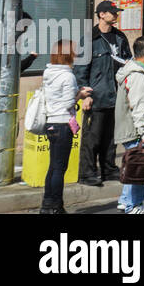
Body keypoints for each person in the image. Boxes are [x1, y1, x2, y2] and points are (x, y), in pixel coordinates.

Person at [74, 0, 132, 187]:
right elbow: (81, 70)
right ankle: (87, 172)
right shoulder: (90, 39)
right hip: (96, 96)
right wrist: (85, 94)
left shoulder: (120, 37)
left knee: (111, 137)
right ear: (101, 15)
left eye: (116, 12)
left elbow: (128, 63)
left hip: (116, 96)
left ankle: (109, 169)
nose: (115, 15)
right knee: (92, 137)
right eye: (112, 12)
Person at [40, 40, 92, 214]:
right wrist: (81, 94)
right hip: (63, 124)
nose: (76, 54)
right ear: (68, 54)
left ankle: (47, 205)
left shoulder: (48, 73)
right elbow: (69, 101)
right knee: (59, 169)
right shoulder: (68, 76)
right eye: (74, 51)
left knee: (53, 166)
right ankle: (56, 207)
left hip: (51, 123)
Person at [114, 34, 144, 214]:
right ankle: (133, 206)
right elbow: (139, 107)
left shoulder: (133, 71)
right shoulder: (139, 76)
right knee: (139, 169)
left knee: (133, 167)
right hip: (135, 130)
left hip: (130, 128)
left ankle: (126, 200)